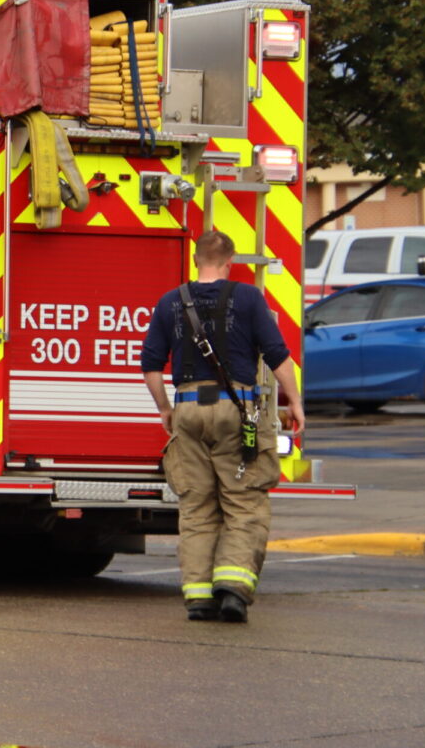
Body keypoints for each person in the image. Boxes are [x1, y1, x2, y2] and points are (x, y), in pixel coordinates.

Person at [140, 230, 305, 623]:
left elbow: (150, 365)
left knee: (196, 507)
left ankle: (198, 597)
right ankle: (233, 588)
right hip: (238, 411)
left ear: (196, 260)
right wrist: (294, 401)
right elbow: (277, 355)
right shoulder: (247, 298)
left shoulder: (170, 302)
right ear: (230, 263)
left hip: (188, 410)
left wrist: (165, 409)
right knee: (243, 501)